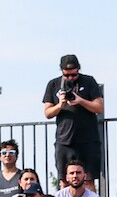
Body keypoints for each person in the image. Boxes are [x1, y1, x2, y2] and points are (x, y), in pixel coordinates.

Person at [41, 54, 105, 185]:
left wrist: (80, 101)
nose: (70, 78)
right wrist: (60, 105)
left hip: (88, 140)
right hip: (64, 140)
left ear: (78, 69)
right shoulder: (53, 84)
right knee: (64, 181)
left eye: (74, 75)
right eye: (67, 75)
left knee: (88, 181)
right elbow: (47, 113)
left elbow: (99, 108)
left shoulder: (89, 81)